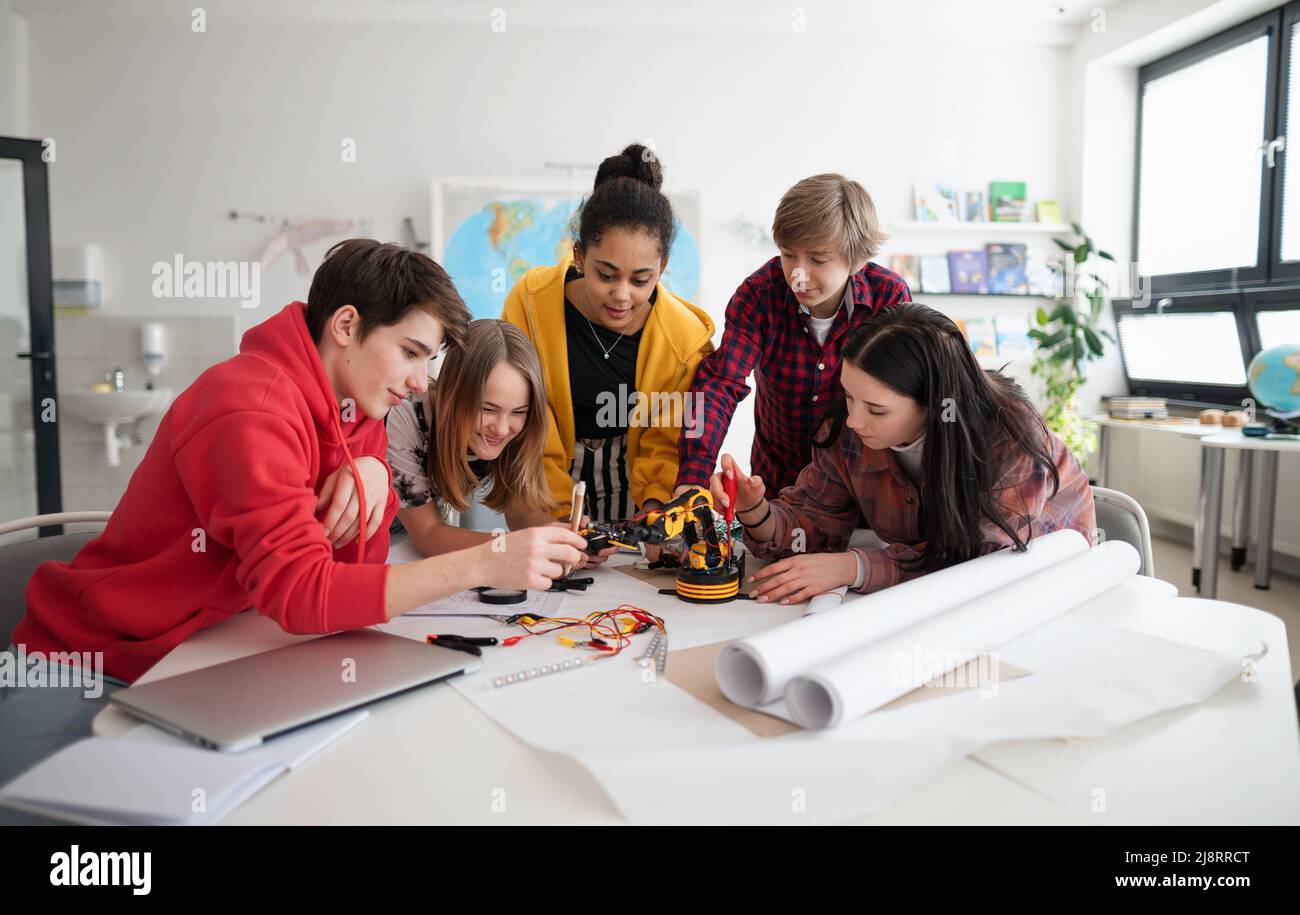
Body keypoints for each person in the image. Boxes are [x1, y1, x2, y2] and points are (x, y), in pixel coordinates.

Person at [3, 239, 585, 794]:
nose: (417, 382)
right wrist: (485, 561)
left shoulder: (359, 400)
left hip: (209, 658)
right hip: (91, 668)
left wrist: (374, 475)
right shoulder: (250, 408)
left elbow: (362, 560)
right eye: (410, 352)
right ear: (347, 326)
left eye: (427, 360)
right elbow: (304, 595)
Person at [710, 302, 1095, 604]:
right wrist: (754, 510)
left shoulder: (1008, 435)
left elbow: (980, 566)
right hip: (933, 607)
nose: (854, 420)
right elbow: (812, 525)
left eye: (876, 410)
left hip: (1049, 594)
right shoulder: (848, 429)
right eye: (847, 396)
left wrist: (855, 567)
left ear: (933, 404)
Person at [502, 143, 714, 524]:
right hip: (542, 486)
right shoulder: (531, 305)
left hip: (636, 491)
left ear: (662, 266)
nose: (621, 294)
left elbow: (665, 442)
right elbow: (530, 421)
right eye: (606, 274)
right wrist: (559, 516)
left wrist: (654, 511)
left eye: (640, 279)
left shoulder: (683, 339)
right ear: (580, 256)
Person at [676, 173, 911, 503]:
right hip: (777, 491)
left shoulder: (889, 297)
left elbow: (906, 399)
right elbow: (721, 384)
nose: (798, 275)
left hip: (865, 493)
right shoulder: (758, 295)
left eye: (817, 259)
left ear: (856, 259)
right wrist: (693, 476)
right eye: (788, 254)